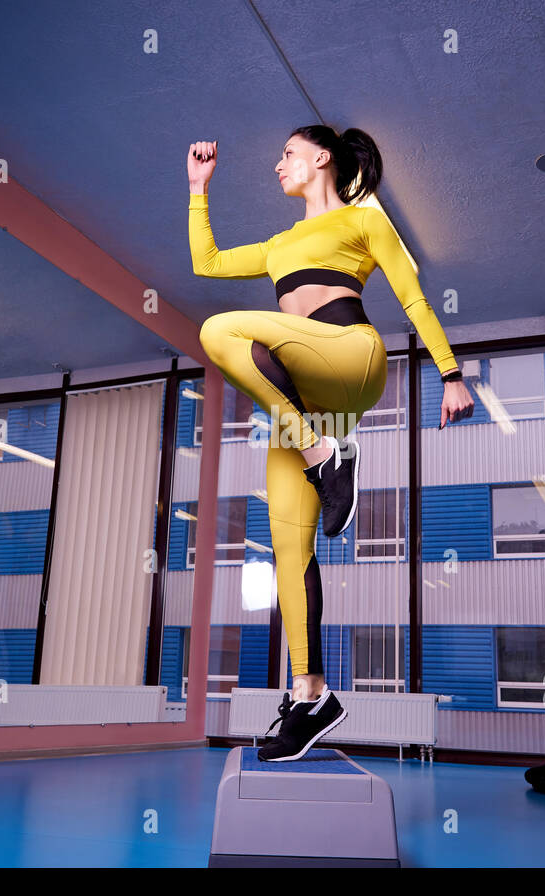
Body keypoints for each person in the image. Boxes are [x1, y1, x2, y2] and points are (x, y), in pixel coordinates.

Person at [188, 125, 473, 760]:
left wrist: (451, 373)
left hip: (350, 357)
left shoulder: (365, 222)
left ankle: (323, 455)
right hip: (307, 410)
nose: (277, 163)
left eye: (287, 152)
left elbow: (413, 295)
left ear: (321, 157)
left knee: (218, 330)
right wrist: (198, 190)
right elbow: (205, 262)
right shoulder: (277, 244)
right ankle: (310, 694)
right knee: (288, 548)